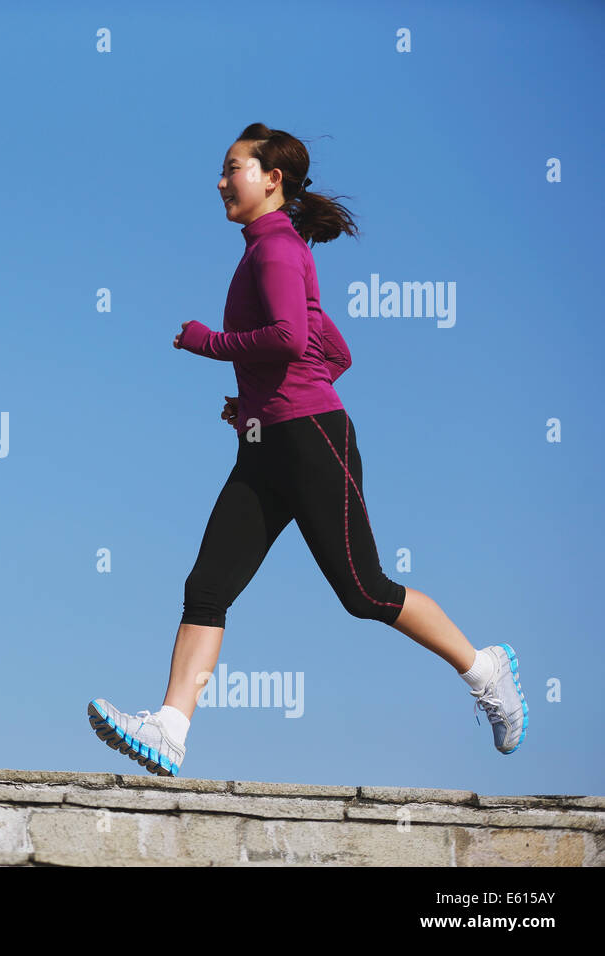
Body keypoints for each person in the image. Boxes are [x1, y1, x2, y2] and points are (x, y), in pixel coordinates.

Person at [87, 123, 527, 777]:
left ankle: (484, 668)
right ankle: (170, 728)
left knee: (365, 592)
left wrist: (210, 343)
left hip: (311, 438)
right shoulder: (268, 251)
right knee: (206, 586)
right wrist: (259, 402)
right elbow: (334, 351)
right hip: (268, 441)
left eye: (232, 167)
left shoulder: (276, 252)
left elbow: (294, 339)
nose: (220, 180)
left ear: (272, 179)